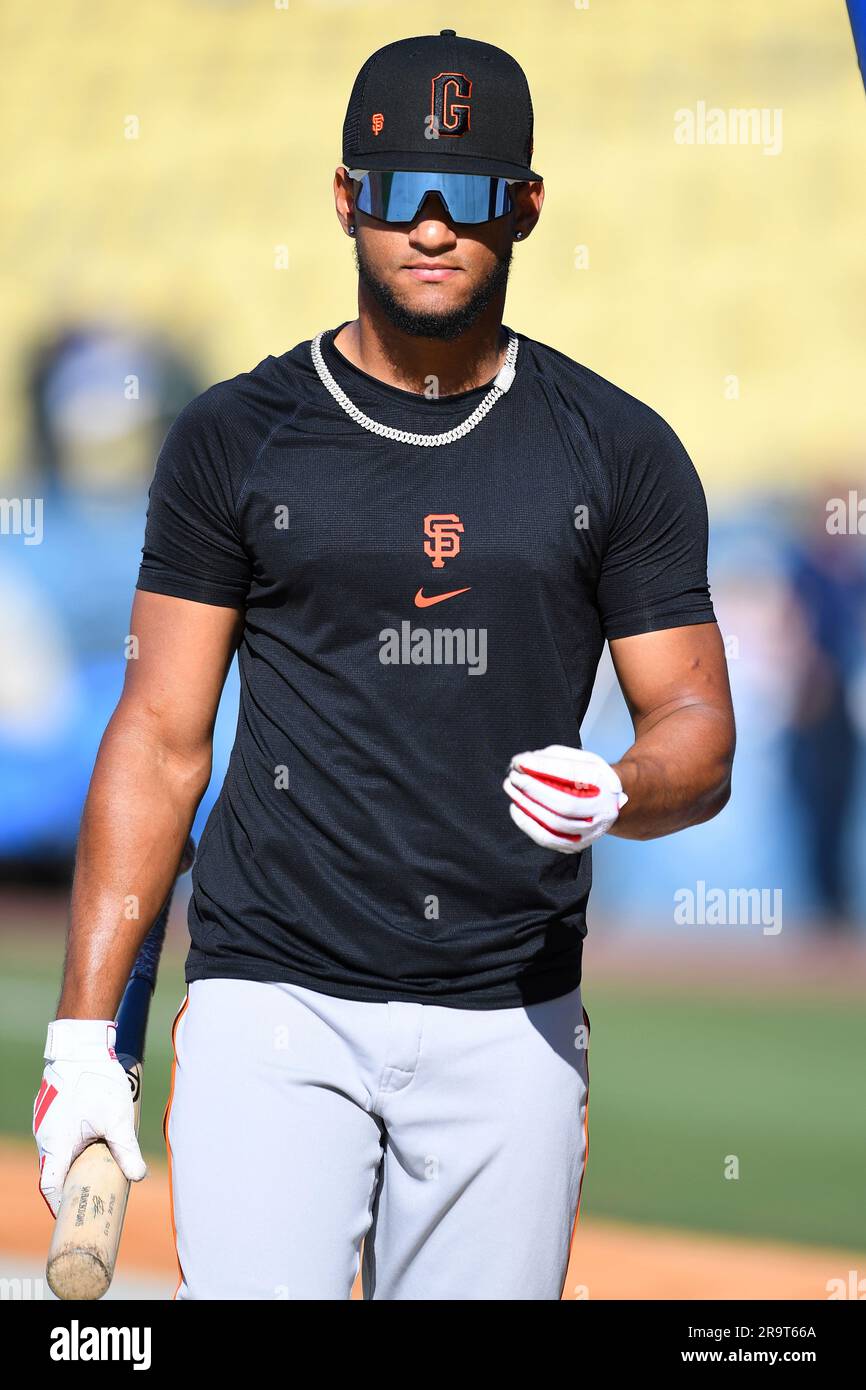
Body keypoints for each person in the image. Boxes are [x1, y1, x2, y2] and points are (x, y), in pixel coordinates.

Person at [33, 30, 735, 1300]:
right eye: (398, 188)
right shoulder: (234, 437)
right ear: (344, 196)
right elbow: (159, 737)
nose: (429, 224)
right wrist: (84, 1038)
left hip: (510, 1010)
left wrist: (621, 786)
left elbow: (694, 722)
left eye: (466, 192)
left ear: (525, 207)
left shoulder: (617, 448)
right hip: (274, 998)